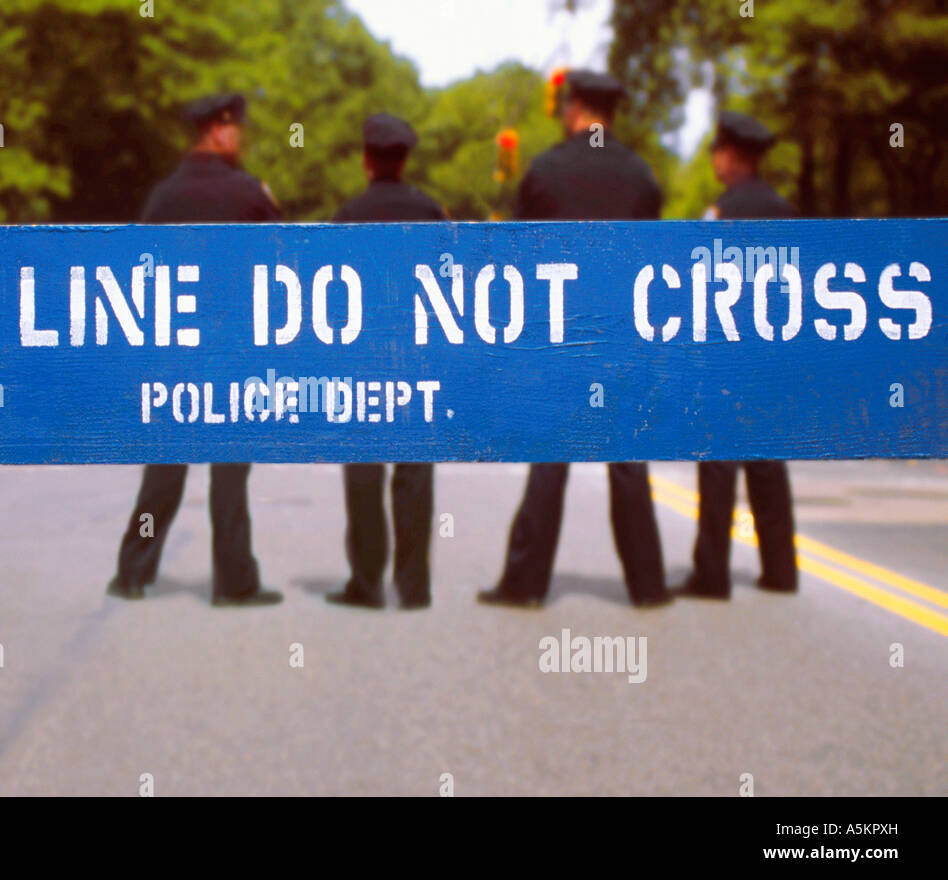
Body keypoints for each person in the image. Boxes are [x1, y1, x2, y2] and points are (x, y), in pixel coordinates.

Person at [478, 70, 672, 609]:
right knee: (629, 462)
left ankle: (524, 584)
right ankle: (649, 586)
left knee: (550, 458)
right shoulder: (641, 176)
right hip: (622, 331)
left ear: (576, 108)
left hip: (561, 331)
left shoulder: (545, 170)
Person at [107, 92, 283, 606]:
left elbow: (137, 276)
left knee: (163, 468)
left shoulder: (162, 198)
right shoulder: (250, 193)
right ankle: (234, 583)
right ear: (222, 130)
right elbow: (283, 265)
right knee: (229, 471)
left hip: (173, 351)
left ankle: (133, 572)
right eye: (239, 130)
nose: (242, 138)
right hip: (233, 349)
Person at [674, 111, 799, 600]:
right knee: (768, 461)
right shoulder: (786, 212)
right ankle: (780, 569)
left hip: (724, 350)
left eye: (716, 152)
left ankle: (712, 573)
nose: (713, 161)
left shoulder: (720, 213)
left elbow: (699, 283)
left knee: (719, 461)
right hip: (769, 349)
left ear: (731, 155)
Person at [326, 113, 446, 611]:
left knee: (364, 470)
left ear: (367, 159)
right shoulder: (432, 213)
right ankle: (413, 586)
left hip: (363, 355)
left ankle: (367, 580)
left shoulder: (349, 215)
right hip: (417, 354)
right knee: (415, 471)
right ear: (404, 159)